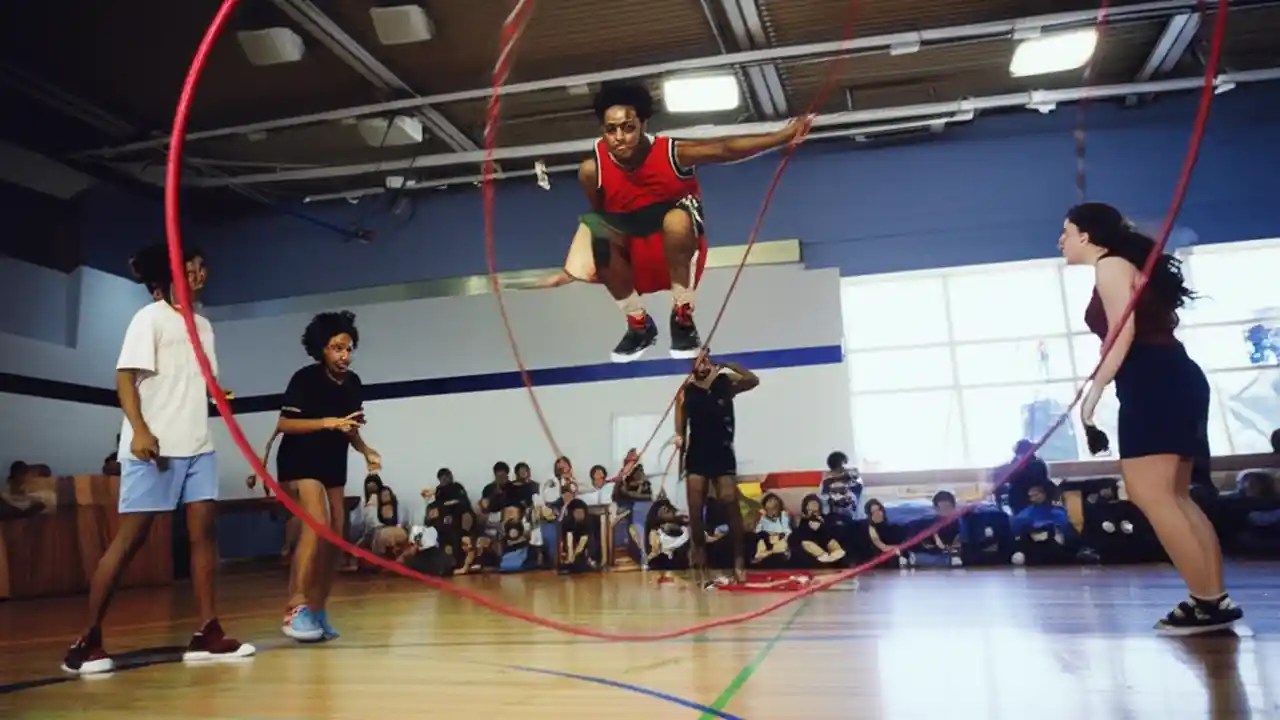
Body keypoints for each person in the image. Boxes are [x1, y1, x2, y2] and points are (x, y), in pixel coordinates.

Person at [62, 243, 255, 675]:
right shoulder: (149, 318)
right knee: (130, 539)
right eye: (191, 267)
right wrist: (140, 431)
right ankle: (86, 639)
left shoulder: (203, 326)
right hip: (155, 448)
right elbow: (124, 378)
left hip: (198, 445)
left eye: (203, 267)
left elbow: (203, 381)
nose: (199, 273)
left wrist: (219, 397)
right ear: (169, 274)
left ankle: (207, 631)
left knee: (204, 534)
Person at [1060, 202, 1243, 634]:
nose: (1060, 241)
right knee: (1174, 497)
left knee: (1153, 496)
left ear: (1086, 235)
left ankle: (1208, 602)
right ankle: (1210, 599)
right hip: (1172, 376)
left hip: (1153, 380)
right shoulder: (1126, 265)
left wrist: (1091, 398)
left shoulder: (1110, 265)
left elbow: (1121, 334)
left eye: (1066, 232)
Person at [538, 81, 812, 363]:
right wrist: (573, 268)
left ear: (643, 125)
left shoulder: (671, 153)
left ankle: (682, 317)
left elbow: (724, 148)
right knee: (600, 230)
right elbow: (599, 216)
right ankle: (638, 324)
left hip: (677, 242)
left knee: (676, 220)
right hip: (635, 248)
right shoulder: (592, 170)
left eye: (628, 127)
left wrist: (782, 136)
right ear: (602, 131)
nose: (619, 137)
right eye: (611, 130)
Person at [253, 310, 380, 643]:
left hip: (332, 460)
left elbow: (349, 427)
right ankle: (295, 607)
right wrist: (327, 422)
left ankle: (318, 608)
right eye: (337, 348)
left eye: (348, 349)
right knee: (317, 522)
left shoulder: (353, 384)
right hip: (301, 460)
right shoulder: (305, 379)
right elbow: (285, 424)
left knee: (337, 534)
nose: (344, 355)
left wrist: (365, 449)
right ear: (321, 349)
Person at [675, 350, 759, 583]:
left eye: (705, 360)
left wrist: (730, 364)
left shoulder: (725, 382)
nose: (702, 363)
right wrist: (679, 440)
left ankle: (739, 561)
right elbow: (680, 424)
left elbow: (753, 380)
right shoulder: (686, 390)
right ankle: (701, 562)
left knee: (729, 501)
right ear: (692, 366)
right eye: (697, 361)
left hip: (722, 451)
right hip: (697, 453)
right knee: (695, 510)